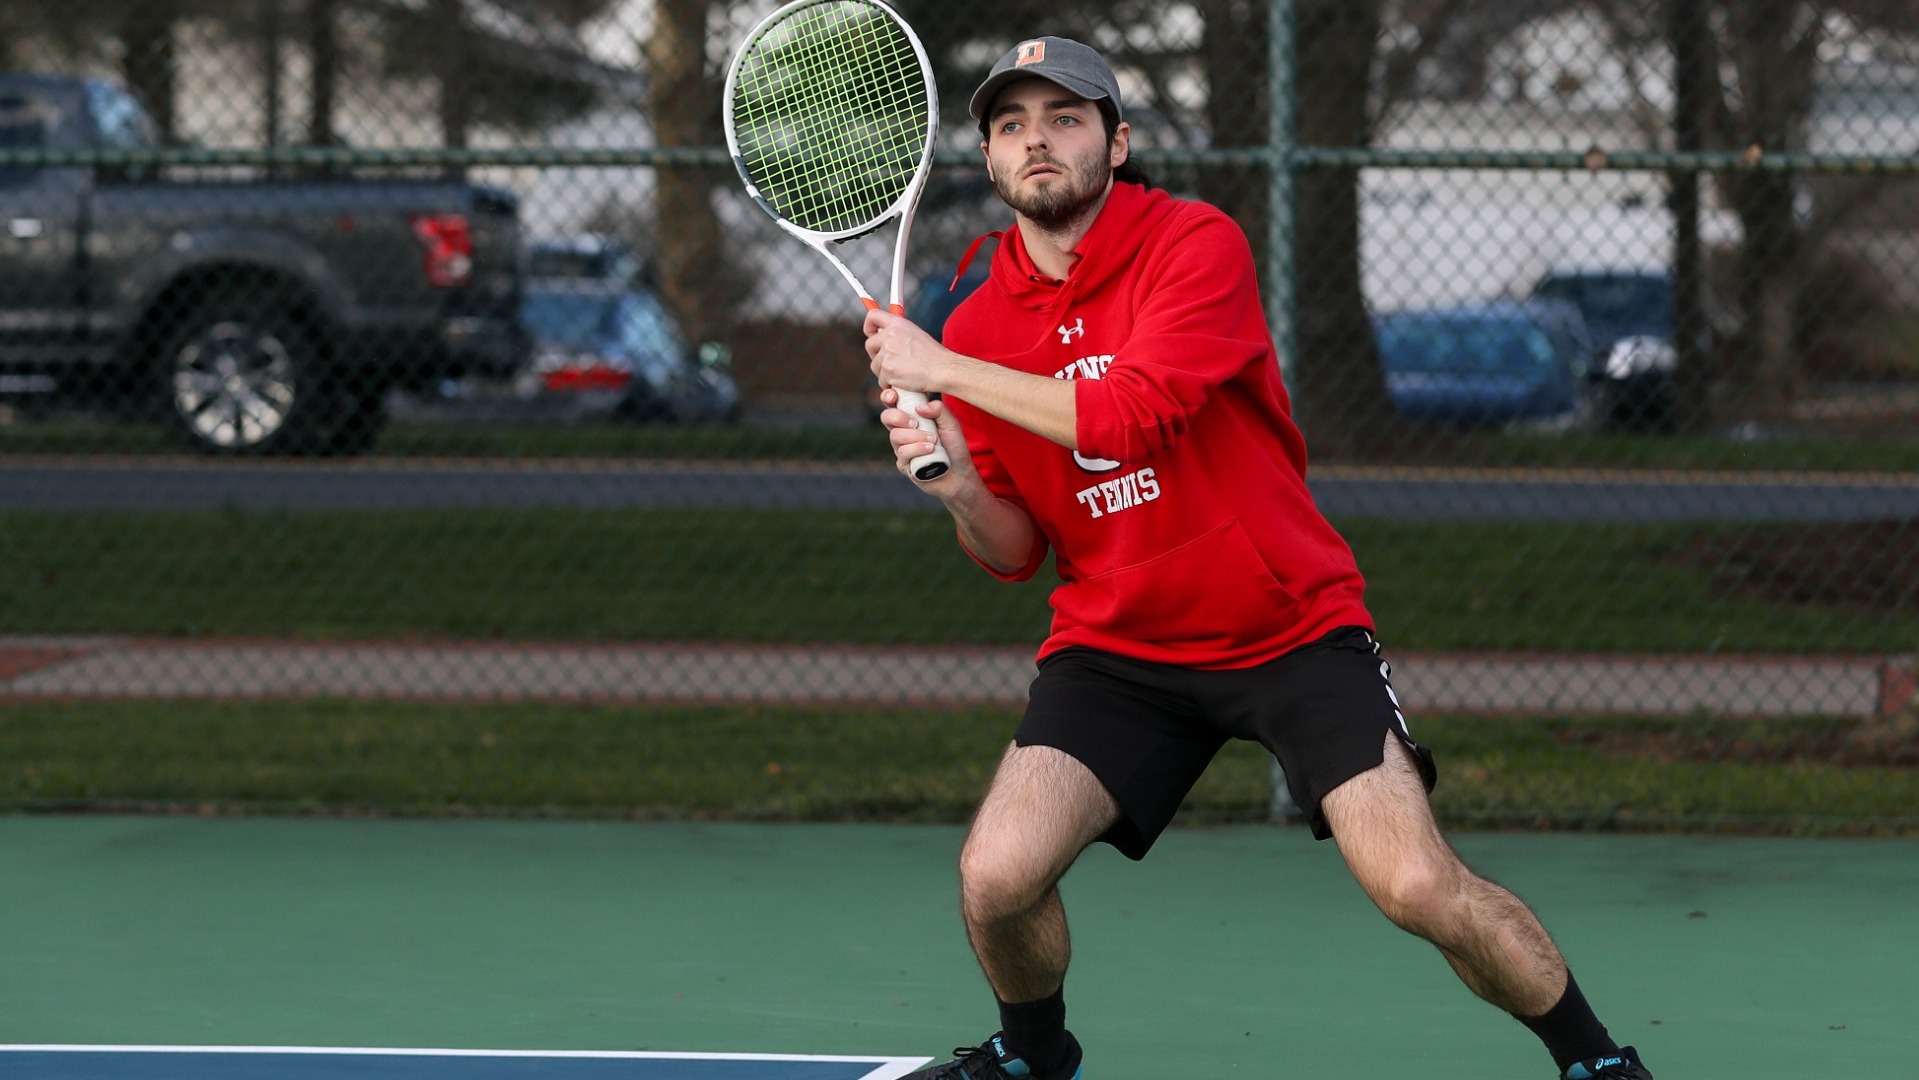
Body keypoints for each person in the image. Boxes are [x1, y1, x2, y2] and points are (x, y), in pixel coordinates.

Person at [862, 35, 1656, 1080]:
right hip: (1115, 643)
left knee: (1416, 886)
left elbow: (1130, 419)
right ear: (988, 159)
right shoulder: (975, 320)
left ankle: (1595, 1062)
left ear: (1117, 140)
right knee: (994, 876)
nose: (1036, 141)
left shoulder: (1193, 244)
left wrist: (943, 367)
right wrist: (954, 478)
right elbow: (1014, 551)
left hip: (1286, 625)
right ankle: (1032, 1056)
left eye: (1064, 117)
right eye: (1010, 124)